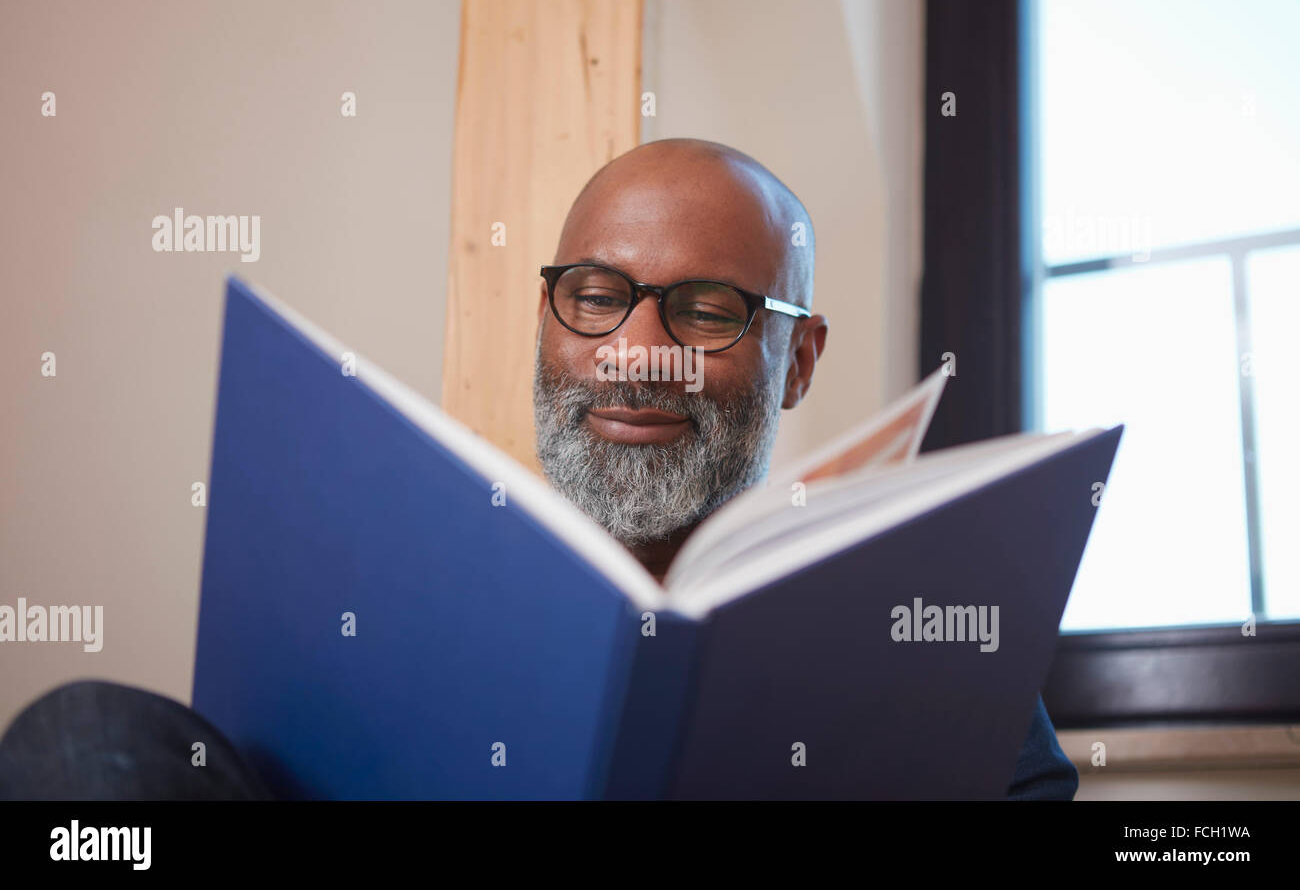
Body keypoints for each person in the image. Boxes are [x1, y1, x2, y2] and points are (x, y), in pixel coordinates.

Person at [0, 138, 1077, 800]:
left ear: (795, 359)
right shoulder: (395, 587)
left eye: (705, 307)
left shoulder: (918, 631)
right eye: (598, 294)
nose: (634, 350)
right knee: (85, 739)